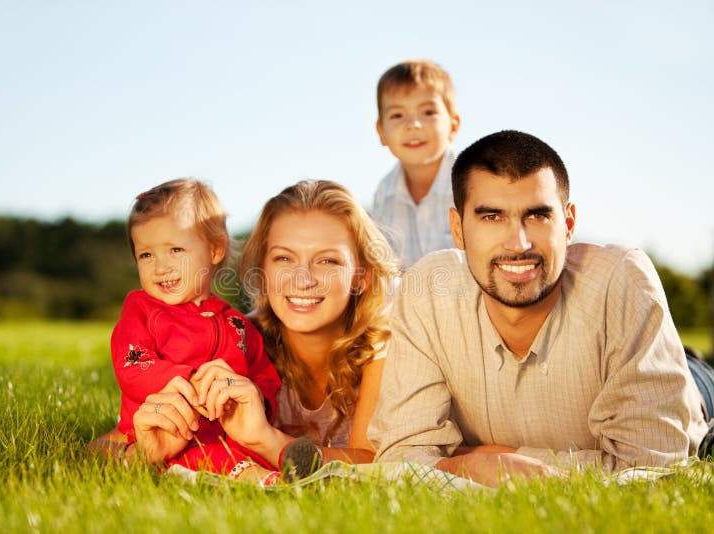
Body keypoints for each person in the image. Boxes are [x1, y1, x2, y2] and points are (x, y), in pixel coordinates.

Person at [368, 130, 709, 487]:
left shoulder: (623, 279)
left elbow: (648, 466)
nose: (518, 244)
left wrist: (483, 459)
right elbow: (402, 454)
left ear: (569, 224)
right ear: (458, 229)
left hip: (690, 388)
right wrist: (474, 464)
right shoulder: (427, 291)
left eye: (537, 216)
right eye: (492, 217)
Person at [130, 180, 397, 478]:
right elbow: (106, 446)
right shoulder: (237, 339)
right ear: (263, 270)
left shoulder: (383, 348)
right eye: (284, 258)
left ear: (362, 277)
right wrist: (143, 453)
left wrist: (266, 440)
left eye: (327, 260)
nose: (302, 279)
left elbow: (373, 464)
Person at [95, 178, 282, 485]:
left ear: (215, 249)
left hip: (230, 433)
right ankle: (264, 481)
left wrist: (256, 400)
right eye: (146, 255)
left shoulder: (236, 323)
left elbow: (265, 376)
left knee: (242, 450)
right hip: (167, 433)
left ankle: (276, 468)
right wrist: (191, 380)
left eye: (175, 250)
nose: (160, 267)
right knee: (213, 459)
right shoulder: (141, 309)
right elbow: (133, 364)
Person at [372, 58, 461, 269]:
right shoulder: (384, 195)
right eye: (397, 115)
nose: (413, 124)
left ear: (453, 126)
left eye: (428, 112)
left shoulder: (471, 185)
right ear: (381, 132)